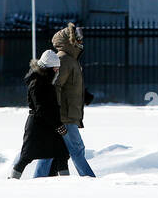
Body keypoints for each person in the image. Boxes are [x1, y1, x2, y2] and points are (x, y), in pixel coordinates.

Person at [33, 22, 97, 178]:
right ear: (71, 40)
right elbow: (55, 87)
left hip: (66, 114)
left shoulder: (71, 60)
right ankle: (89, 179)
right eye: (78, 38)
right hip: (65, 115)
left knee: (50, 151)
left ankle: (37, 180)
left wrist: (84, 95)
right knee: (77, 149)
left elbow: (69, 86)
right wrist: (56, 113)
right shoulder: (64, 60)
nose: (81, 42)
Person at [9, 50, 70, 179]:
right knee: (26, 156)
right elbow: (42, 108)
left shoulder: (46, 82)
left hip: (49, 124)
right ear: (48, 69)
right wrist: (57, 124)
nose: (57, 72)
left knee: (62, 153)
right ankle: (12, 179)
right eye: (55, 69)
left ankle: (66, 181)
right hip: (37, 126)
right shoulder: (37, 83)